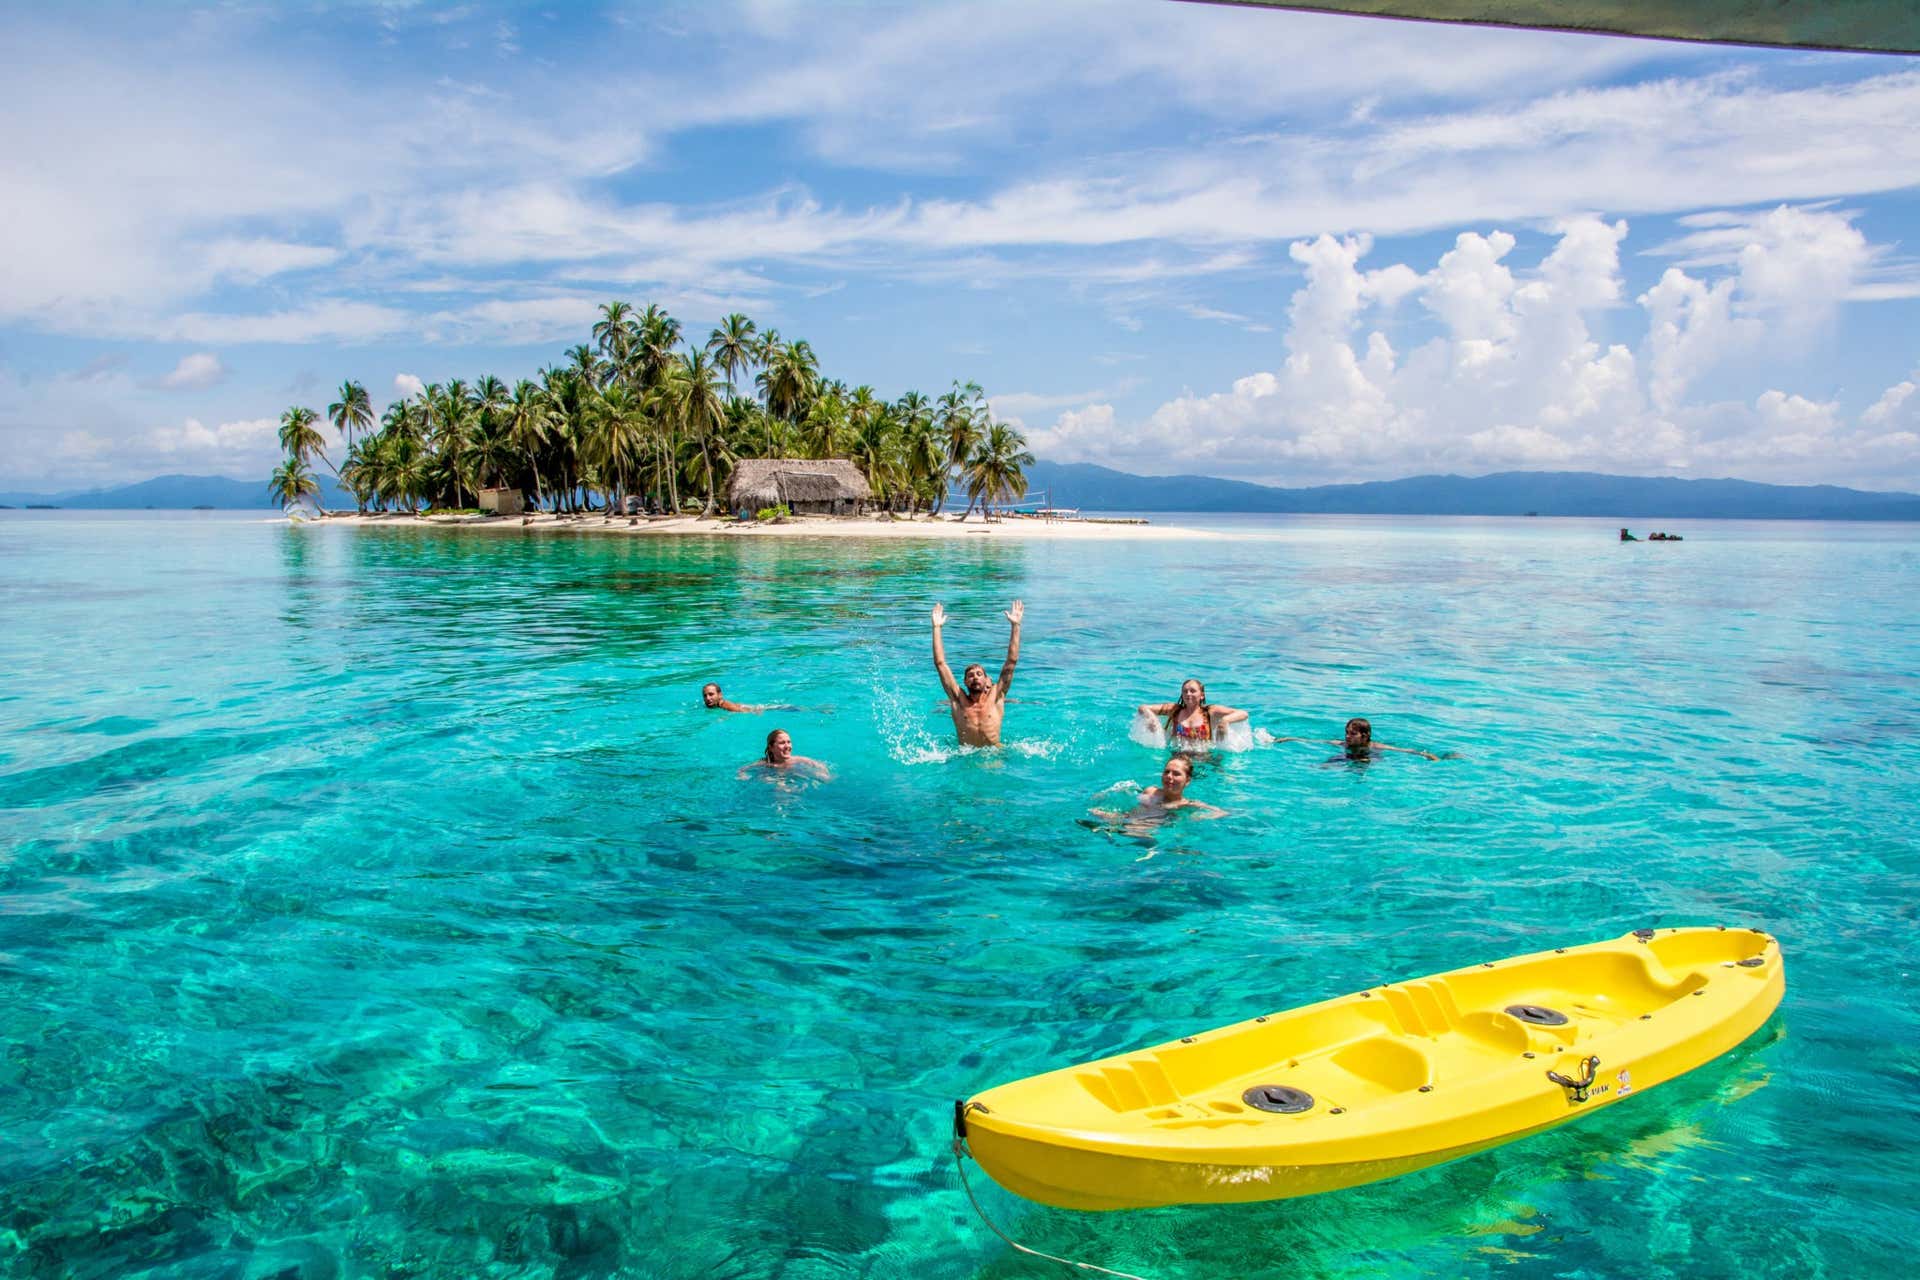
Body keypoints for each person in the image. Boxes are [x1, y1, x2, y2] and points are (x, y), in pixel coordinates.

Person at [931, 599, 1022, 747]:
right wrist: (936, 628)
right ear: (965, 682)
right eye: (971, 675)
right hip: (965, 756)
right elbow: (940, 664)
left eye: (979, 674)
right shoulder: (958, 700)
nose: (975, 677)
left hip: (994, 755)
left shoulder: (996, 696)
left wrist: (1016, 625)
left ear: (987, 681)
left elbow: (1011, 663)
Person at [1091, 756, 1227, 825]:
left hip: (1142, 831)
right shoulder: (1151, 791)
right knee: (1093, 812)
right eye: (1166, 772)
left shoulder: (1187, 805)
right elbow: (1130, 797)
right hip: (1121, 820)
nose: (1169, 776)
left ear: (1188, 780)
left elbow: (1222, 813)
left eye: (1176, 774)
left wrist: (1193, 818)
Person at [1137, 678, 1248, 749]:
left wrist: (1225, 721)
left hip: (1205, 759)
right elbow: (1143, 708)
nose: (1188, 694)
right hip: (1177, 758)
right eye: (1185, 691)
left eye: (1192, 691)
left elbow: (1243, 714)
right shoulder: (1174, 710)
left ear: (1202, 695)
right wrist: (1152, 720)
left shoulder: (1210, 711)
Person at [1273, 717, 1439, 761]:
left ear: (1364, 735)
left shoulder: (1376, 745)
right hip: (1351, 756)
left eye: (1352, 734)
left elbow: (1404, 750)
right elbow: (1313, 741)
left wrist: (1426, 755)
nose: (1347, 736)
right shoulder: (1343, 743)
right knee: (1331, 762)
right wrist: (1290, 739)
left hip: (1370, 757)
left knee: (1363, 762)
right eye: (1347, 732)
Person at [738, 728, 830, 781]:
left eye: (789, 742)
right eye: (782, 743)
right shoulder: (765, 764)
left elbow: (818, 764)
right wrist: (743, 776)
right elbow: (742, 770)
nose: (787, 746)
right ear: (771, 747)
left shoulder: (797, 760)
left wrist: (823, 772)